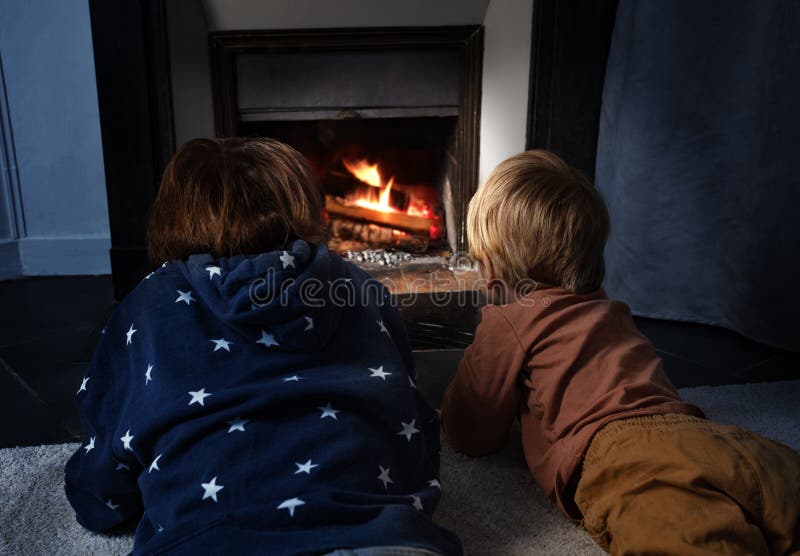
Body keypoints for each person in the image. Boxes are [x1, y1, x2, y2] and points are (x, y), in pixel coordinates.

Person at [65, 138, 461, 556]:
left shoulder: (150, 304)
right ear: (305, 208)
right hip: (380, 535)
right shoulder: (357, 287)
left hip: (209, 540)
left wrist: (96, 499)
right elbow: (411, 430)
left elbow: (104, 480)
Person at [441, 149, 800, 555]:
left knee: (693, 539)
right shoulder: (611, 309)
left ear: (490, 269)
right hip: (712, 439)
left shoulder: (509, 321)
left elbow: (471, 429)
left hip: (624, 456)